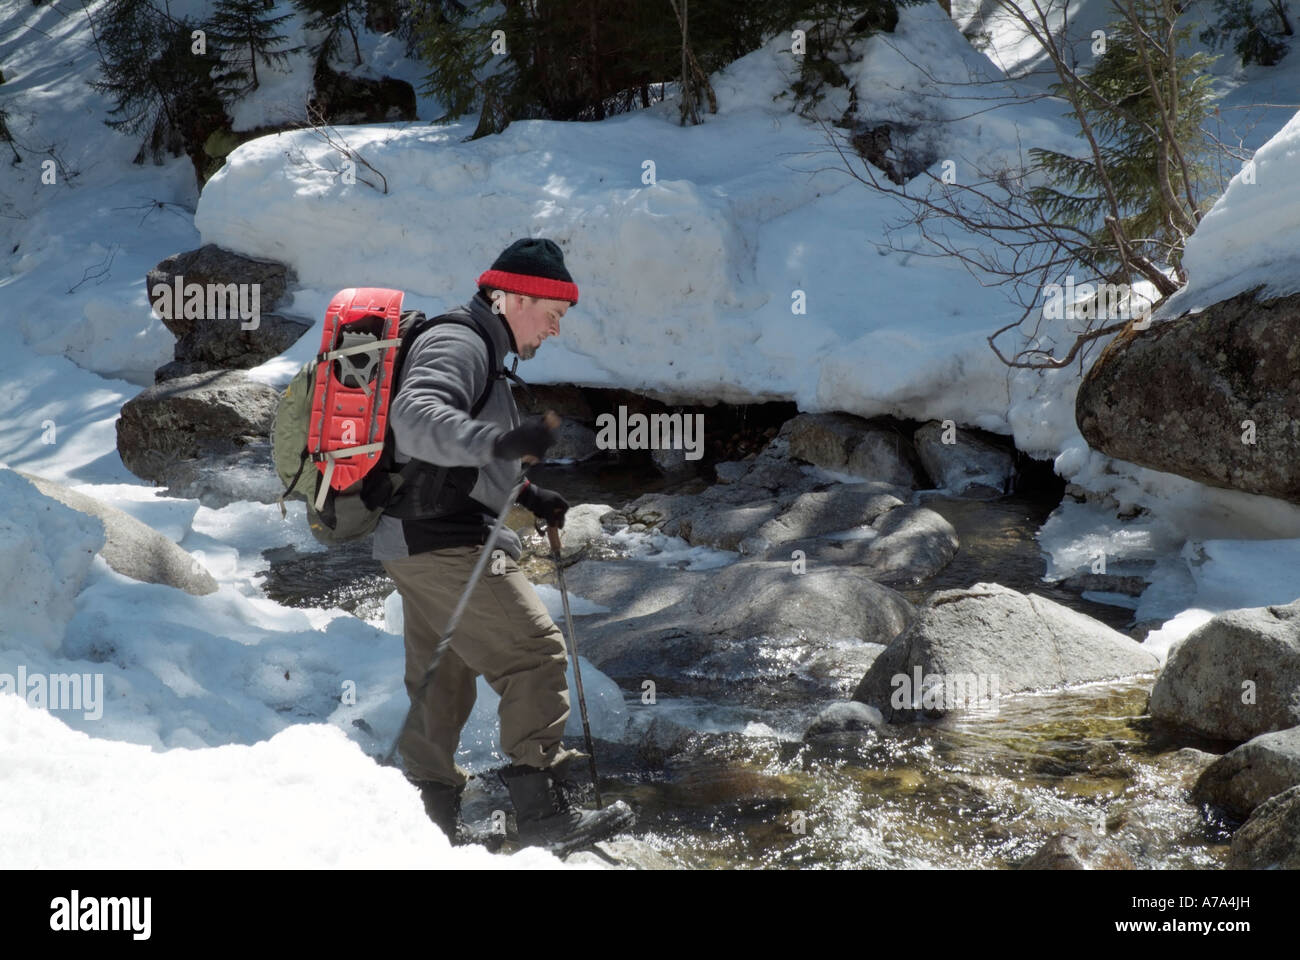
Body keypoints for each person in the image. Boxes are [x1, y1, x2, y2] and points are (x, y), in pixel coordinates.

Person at [372, 237, 634, 852]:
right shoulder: (459, 342)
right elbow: (415, 417)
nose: (554, 330)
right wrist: (496, 445)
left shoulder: (483, 352)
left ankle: (428, 822)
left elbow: (463, 459)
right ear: (513, 295)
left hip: (418, 537)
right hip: (444, 541)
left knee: (444, 680)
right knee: (535, 656)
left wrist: (527, 494)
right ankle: (542, 813)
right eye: (553, 313)